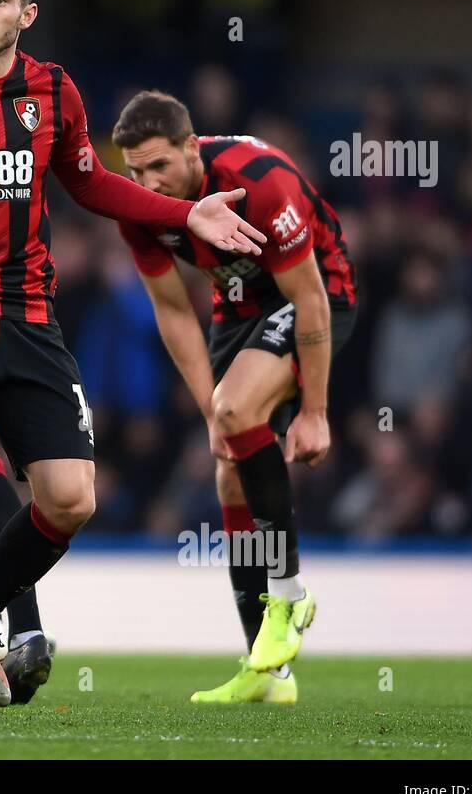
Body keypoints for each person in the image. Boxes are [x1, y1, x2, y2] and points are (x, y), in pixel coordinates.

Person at [0, 0, 267, 713]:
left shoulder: (52, 89)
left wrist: (184, 211)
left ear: (25, 15)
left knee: (71, 498)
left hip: (29, 315)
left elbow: (91, 181)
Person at [113, 90, 358, 704]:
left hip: (315, 296)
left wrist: (315, 412)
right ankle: (267, 672)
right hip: (237, 309)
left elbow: (309, 298)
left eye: (159, 166)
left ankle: (293, 596)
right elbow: (172, 311)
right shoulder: (137, 209)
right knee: (228, 469)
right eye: (135, 171)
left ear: (193, 149)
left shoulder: (261, 180)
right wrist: (208, 412)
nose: (147, 182)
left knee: (238, 409)